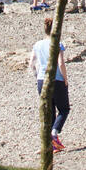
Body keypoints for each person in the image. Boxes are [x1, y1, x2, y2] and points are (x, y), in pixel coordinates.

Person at [29, 17, 70, 152]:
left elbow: (32, 64)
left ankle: (50, 144)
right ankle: (54, 132)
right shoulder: (57, 43)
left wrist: (37, 77)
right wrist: (65, 78)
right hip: (56, 79)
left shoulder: (37, 44)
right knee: (64, 109)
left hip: (41, 80)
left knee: (49, 111)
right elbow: (60, 63)